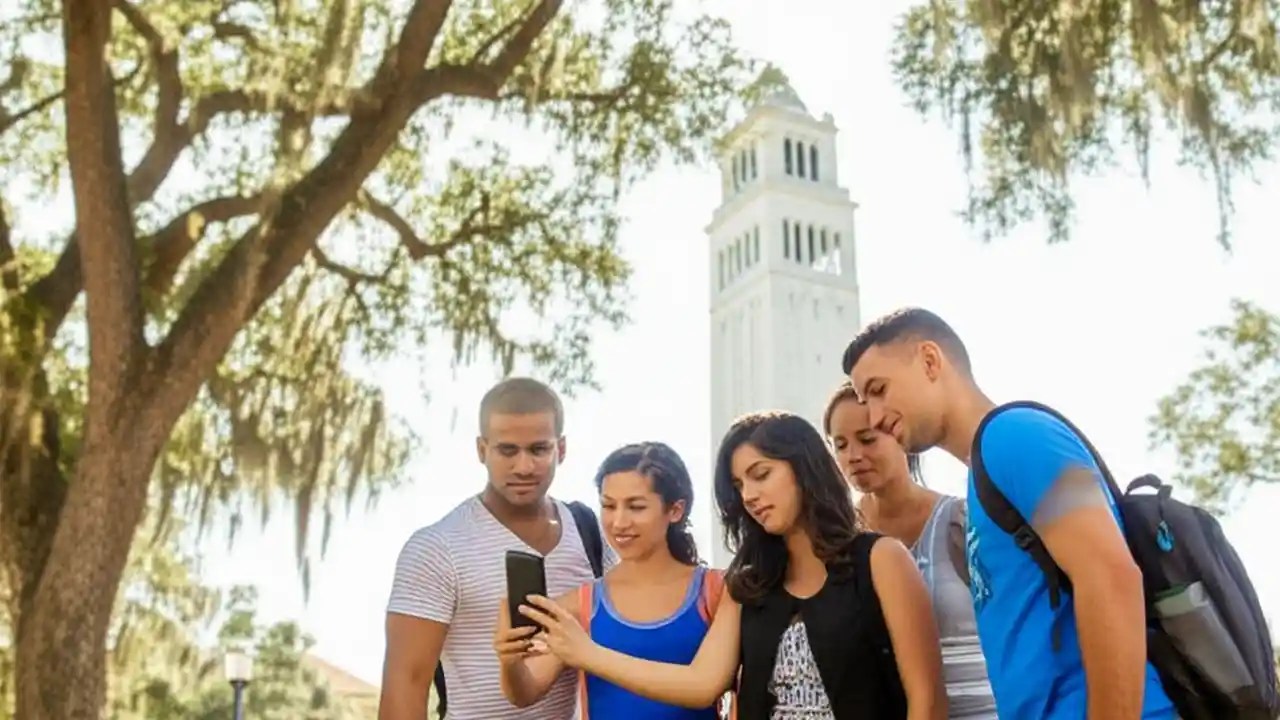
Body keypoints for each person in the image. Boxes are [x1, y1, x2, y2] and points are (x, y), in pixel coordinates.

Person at [842, 308, 1176, 720]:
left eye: (879, 390)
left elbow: (1111, 577)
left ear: (930, 361)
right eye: (864, 400)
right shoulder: (982, 476)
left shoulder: (1014, 435)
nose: (874, 415)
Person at [516, 411, 948, 720]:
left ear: (804, 468)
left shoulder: (881, 560)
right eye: (739, 484)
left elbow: (927, 702)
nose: (749, 495)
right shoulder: (750, 583)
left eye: (761, 474)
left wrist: (588, 653)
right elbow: (703, 685)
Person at [378, 377, 615, 720]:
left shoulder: (591, 534)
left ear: (560, 450)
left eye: (538, 449)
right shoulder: (437, 547)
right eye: (507, 450)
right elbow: (405, 685)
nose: (523, 466)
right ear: (481, 450)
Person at [495, 441, 726, 718]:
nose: (618, 522)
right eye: (608, 506)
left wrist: (588, 654)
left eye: (636, 507)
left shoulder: (717, 592)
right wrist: (509, 662)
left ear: (675, 510)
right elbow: (525, 692)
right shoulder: (579, 605)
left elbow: (703, 688)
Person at [823, 381, 997, 719]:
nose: (853, 456)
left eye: (868, 439)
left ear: (899, 434)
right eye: (840, 445)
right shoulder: (837, 541)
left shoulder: (961, 519)